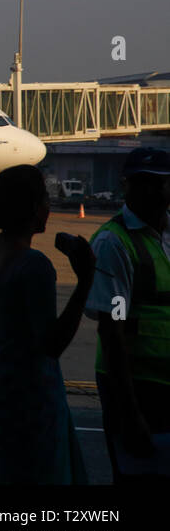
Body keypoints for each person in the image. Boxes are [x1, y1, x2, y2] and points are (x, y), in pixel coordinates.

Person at [0, 165, 93, 484]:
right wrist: (84, 282)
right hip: (30, 395)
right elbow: (51, 344)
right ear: (31, 208)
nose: (48, 208)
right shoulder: (33, 264)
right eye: (44, 200)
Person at [84, 148, 170, 484]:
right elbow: (112, 331)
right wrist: (129, 413)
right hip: (138, 387)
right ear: (125, 186)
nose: (147, 191)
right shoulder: (113, 242)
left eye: (156, 183)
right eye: (139, 183)